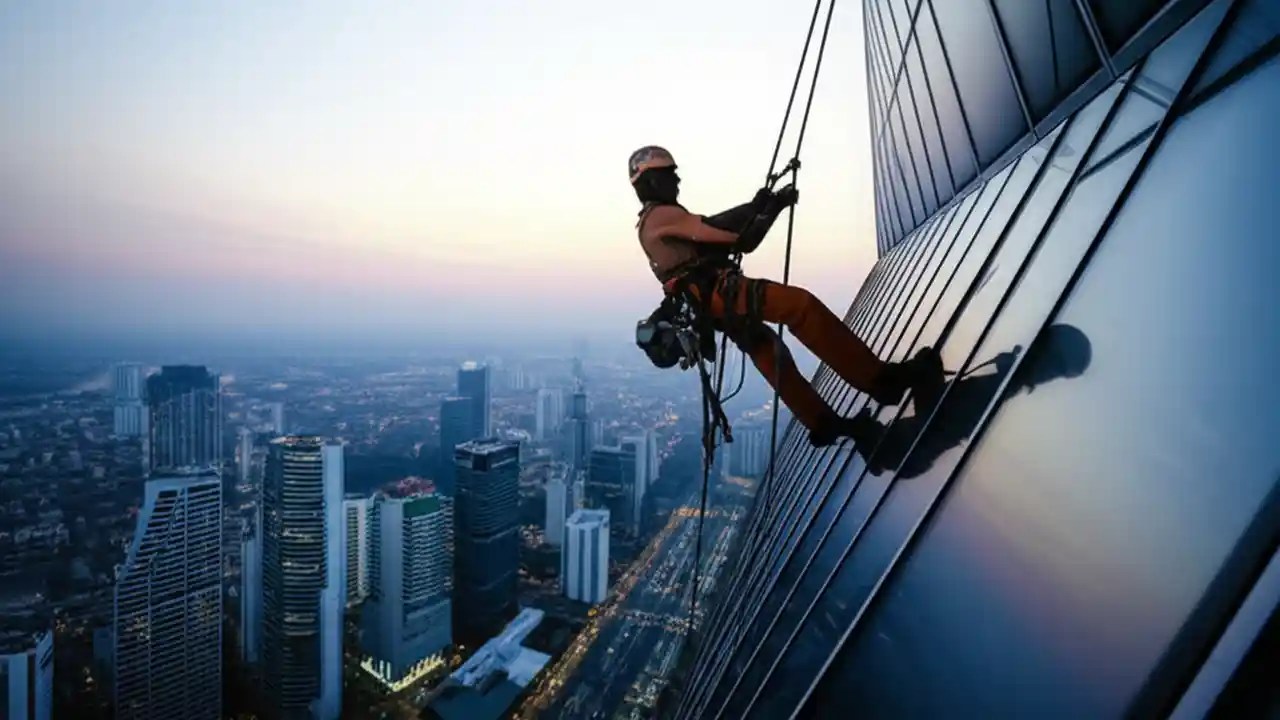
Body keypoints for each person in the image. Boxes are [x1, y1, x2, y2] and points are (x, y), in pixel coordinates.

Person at [628, 145, 945, 447]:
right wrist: (764, 207)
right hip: (719, 294)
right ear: (652, 181)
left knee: (767, 350)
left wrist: (762, 208)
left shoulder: (652, 222)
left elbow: (740, 237)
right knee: (800, 308)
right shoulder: (661, 216)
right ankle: (881, 381)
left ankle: (823, 422)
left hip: (709, 304)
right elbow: (729, 232)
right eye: (671, 174)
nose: (678, 180)